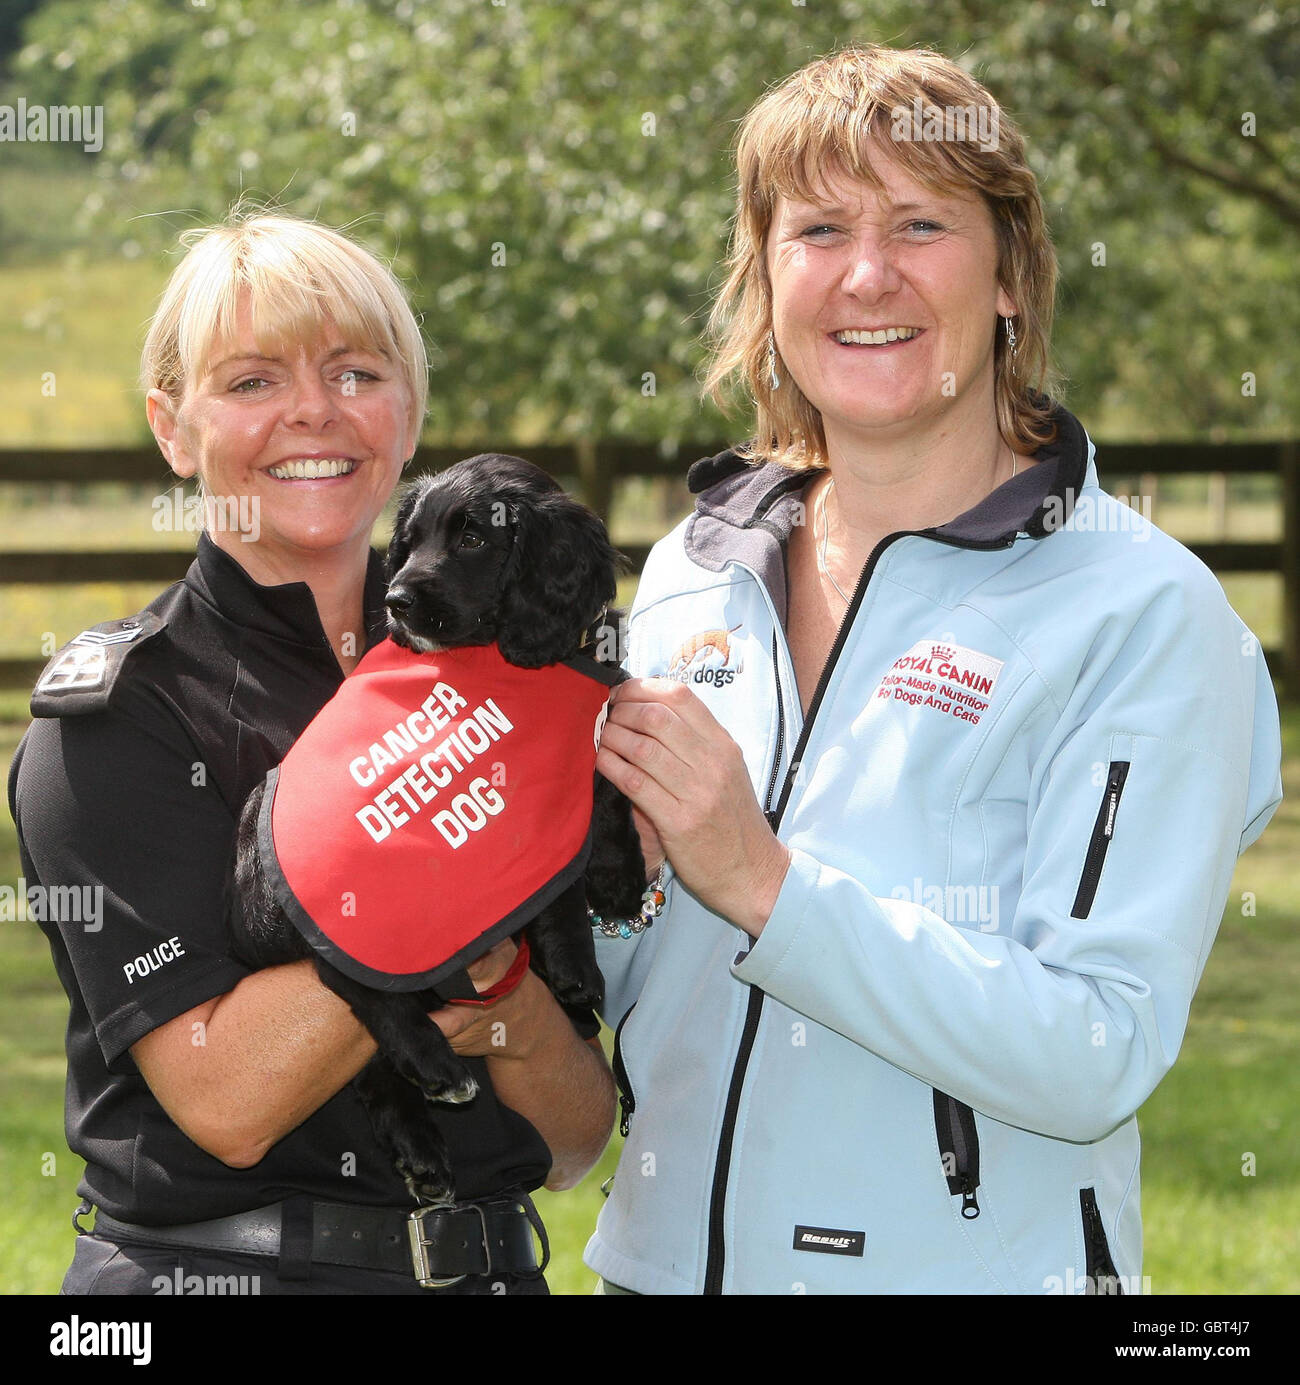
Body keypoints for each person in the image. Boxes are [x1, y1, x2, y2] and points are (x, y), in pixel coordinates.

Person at [586, 43, 1283, 1294]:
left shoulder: (1143, 611)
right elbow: (634, 982)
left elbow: (1096, 1047)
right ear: (764, 278)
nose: (867, 274)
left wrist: (765, 881)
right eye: (817, 230)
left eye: (919, 223)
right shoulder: (695, 573)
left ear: (1011, 272)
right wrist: (590, 893)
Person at [8, 210, 616, 1295]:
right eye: (249, 382)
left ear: (408, 412)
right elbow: (227, 1103)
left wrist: (514, 1003)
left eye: (354, 371)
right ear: (173, 429)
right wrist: (449, 874)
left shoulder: (510, 685)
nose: (311, 412)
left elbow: (575, 1143)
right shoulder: (115, 719)